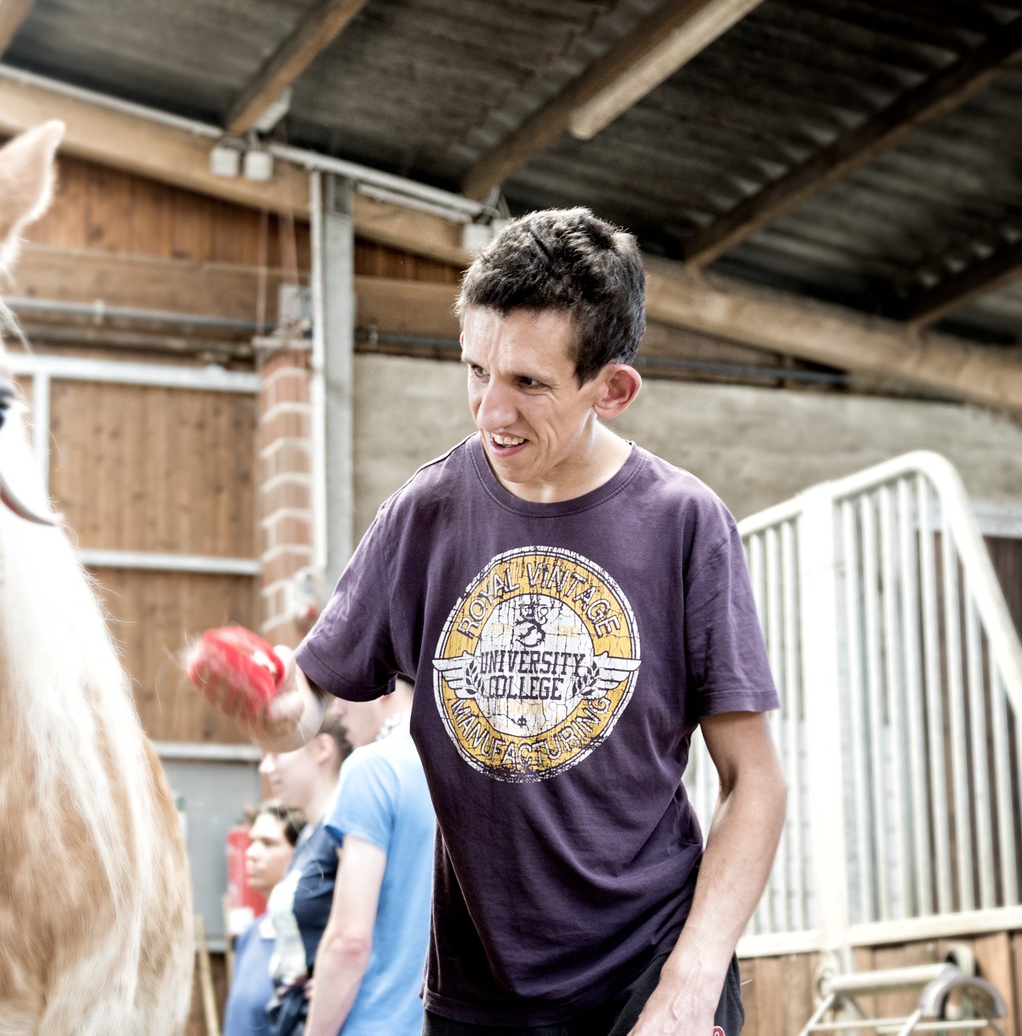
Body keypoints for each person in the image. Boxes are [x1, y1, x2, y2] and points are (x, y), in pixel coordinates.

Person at [196, 208, 786, 1035]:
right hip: (479, 995)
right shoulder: (425, 514)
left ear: (609, 389)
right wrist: (271, 706)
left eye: (528, 384)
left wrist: (689, 985)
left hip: (645, 975)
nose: (489, 411)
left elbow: (755, 782)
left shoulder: (683, 524)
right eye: (475, 370)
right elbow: (308, 701)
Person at [306, 677, 435, 1036]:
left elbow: (349, 940)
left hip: (379, 1022)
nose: (336, 709)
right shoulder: (469, 770)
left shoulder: (373, 768)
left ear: (385, 687)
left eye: (343, 693)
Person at [260, 713, 354, 1036]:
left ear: (322, 749)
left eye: (276, 753)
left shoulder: (343, 834)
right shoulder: (308, 838)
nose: (266, 767)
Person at [225, 800, 308, 1036]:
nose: (251, 853)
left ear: (299, 851)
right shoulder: (251, 934)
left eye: (268, 843)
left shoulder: (306, 938)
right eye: (252, 842)